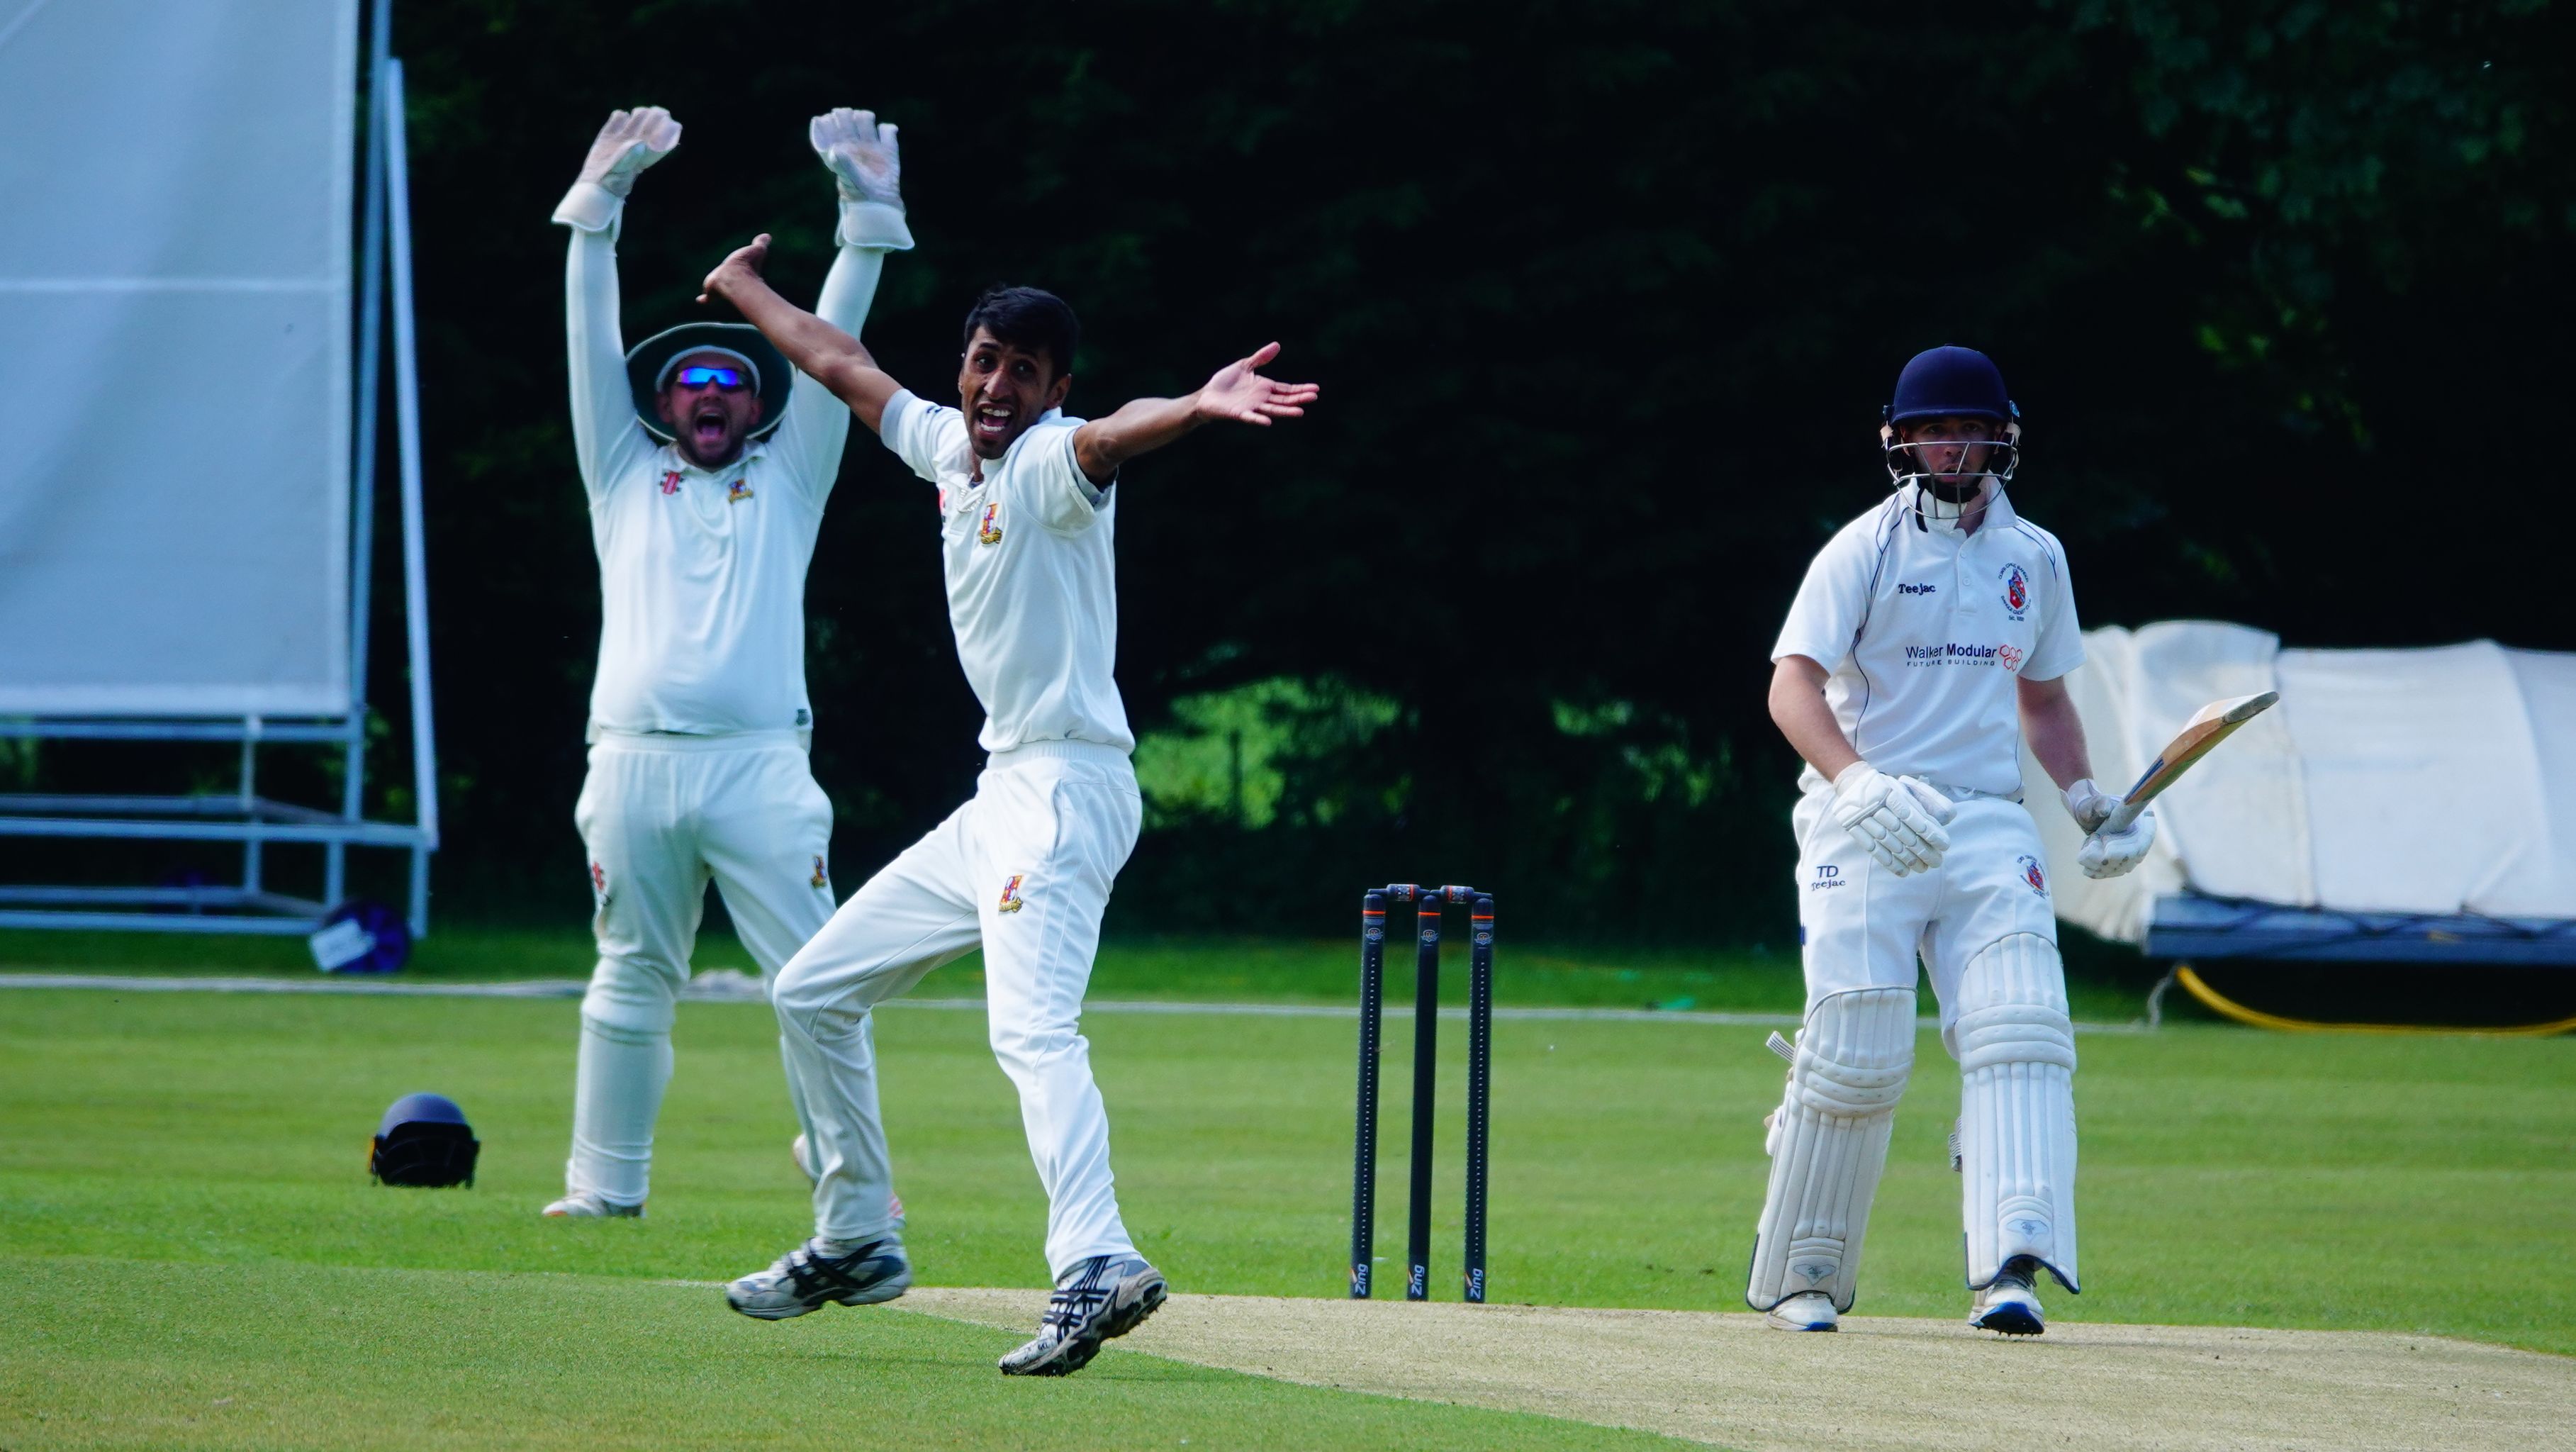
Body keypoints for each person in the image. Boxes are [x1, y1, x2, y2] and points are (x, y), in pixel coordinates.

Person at [695, 231, 1318, 1375]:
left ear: (1051, 389)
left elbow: (1110, 434)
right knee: (812, 990)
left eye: (1024, 371)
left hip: (1068, 789)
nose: (997, 387)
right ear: (965, 363)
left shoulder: (1045, 465)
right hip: (1002, 795)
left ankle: (1097, 1260)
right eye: (986, 361)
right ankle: (854, 1236)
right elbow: (837, 361)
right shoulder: (944, 445)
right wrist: (740, 288)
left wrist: (1193, 402)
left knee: (1030, 1030)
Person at [541, 106, 914, 1219]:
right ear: (662, 405)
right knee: (629, 975)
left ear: (758, 403)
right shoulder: (620, 469)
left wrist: (863, 218)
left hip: (759, 767)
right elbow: (583, 338)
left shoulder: (791, 472)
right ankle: (603, 1190)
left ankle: (845, 1168)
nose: (710, 393)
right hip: (632, 766)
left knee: (817, 981)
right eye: (690, 383)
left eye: (732, 382)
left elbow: (837, 352)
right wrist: (597, 209)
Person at [1748, 345, 2154, 1336]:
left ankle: (2009, 1268)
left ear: (1998, 437)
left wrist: (2084, 798)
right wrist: (1854, 781)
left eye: (1967, 428)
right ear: (1901, 440)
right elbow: (1789, 684)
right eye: (1932, 429)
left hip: (1983, 818)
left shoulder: (2036, 557)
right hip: (1869, 813)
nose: (1950, 446)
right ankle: (1806, 1272)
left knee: (2020, 1032)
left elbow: (2044, 698)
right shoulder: (1861, 549)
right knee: (1859, 1045)